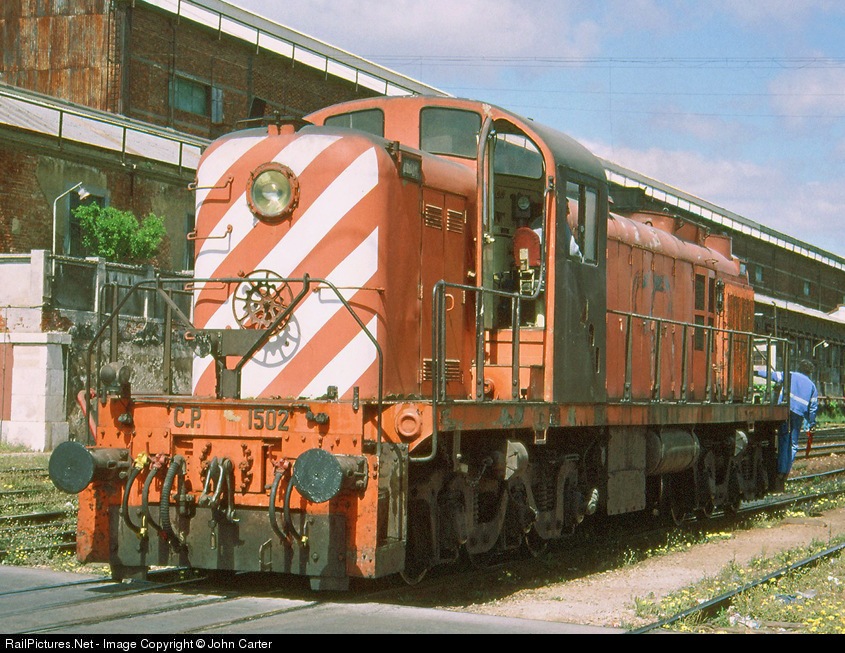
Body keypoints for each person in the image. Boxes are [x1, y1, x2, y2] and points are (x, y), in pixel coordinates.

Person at [755, 359, 819, 490]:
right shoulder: (812, 386)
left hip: (785, 410)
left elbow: (773, 375)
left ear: (799, 368)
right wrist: (811, 423)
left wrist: (755, 372)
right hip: (799, 414)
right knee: (793, 443)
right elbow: (813, 408)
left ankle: (780, 470)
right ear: (809, 372)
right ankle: (786, 471)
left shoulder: (790, 375)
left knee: (784, 439)